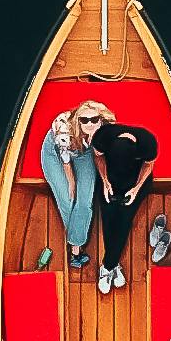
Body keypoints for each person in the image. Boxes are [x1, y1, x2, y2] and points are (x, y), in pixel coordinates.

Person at [89, 107, 160, 293]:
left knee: (124, 220)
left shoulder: (147, 141)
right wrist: (105, 182)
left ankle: (107, 267)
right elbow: (98, 158)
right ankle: (112, 266)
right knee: (108, 218)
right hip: (110, 178)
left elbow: (148, 166)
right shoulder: (103, 136)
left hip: (135, 180)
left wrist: (136, 190)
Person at [37, 99, 107, 273]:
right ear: (78, 119)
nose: (89, 123)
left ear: (100, 119)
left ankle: (75, 246)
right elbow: (66, 161)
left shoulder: (104, 127)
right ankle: (76, 252)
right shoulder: (64, 130)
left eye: (94, 119)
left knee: (84, 201)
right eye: (84, 120)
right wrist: (72, 183)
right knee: (68, 200)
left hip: (83, 153)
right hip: (56, 152)